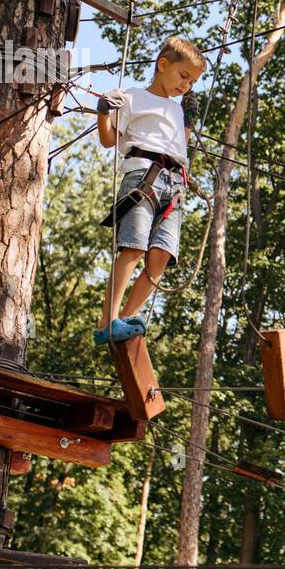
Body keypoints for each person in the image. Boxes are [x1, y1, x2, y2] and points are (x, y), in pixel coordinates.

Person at [93, 35, 205, 343]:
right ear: (162, 65)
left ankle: (126, 320)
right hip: (143, 175)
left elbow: (178, 144)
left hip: (175, 183)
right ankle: (109, 320)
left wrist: (188, 120)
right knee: (134, 246)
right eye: (183, 76)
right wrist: (103, 112)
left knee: (161, 257)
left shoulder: (178, 108)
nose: (186, 86)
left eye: (192, 82)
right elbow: (108, 140)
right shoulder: (132, 97)